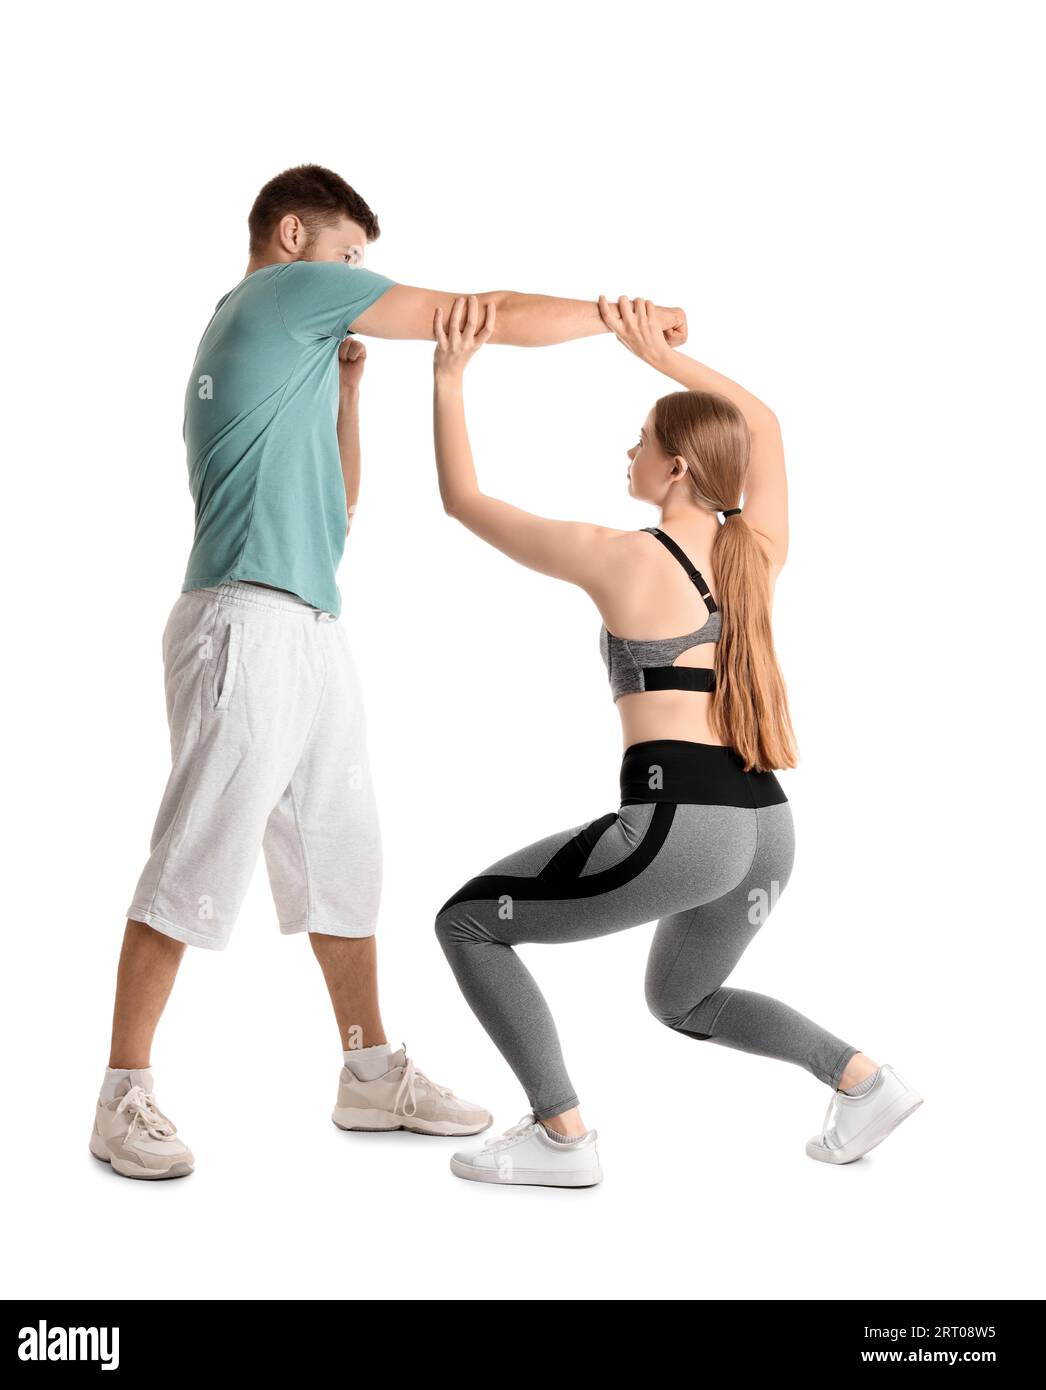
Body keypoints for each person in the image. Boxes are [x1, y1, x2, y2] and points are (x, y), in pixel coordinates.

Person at [90, 165, 687, 1180]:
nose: (358, 279)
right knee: (198, 853)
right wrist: (613, 318)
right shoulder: (284, 291)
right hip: (246, 620)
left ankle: (368, 1072)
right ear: (292, 235)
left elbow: (337, 510)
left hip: (306, 620)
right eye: (349, 256)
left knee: (343, 850)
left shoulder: (271, 342)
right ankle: (123, 1094)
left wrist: (350, 395)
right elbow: (477, 313)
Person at [431, 294, 923, 1188]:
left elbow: (463, 500)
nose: (628, 454)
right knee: (682, 999)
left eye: (641, 441)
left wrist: (449, 376)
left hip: (679, 826)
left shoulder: (621, 557)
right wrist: (662, 361)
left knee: (466, 924)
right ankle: (863, 1081)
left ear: (676, 468)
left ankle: (561, 1138)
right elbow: (763, 423)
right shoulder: (756, 555)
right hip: (766, 828)